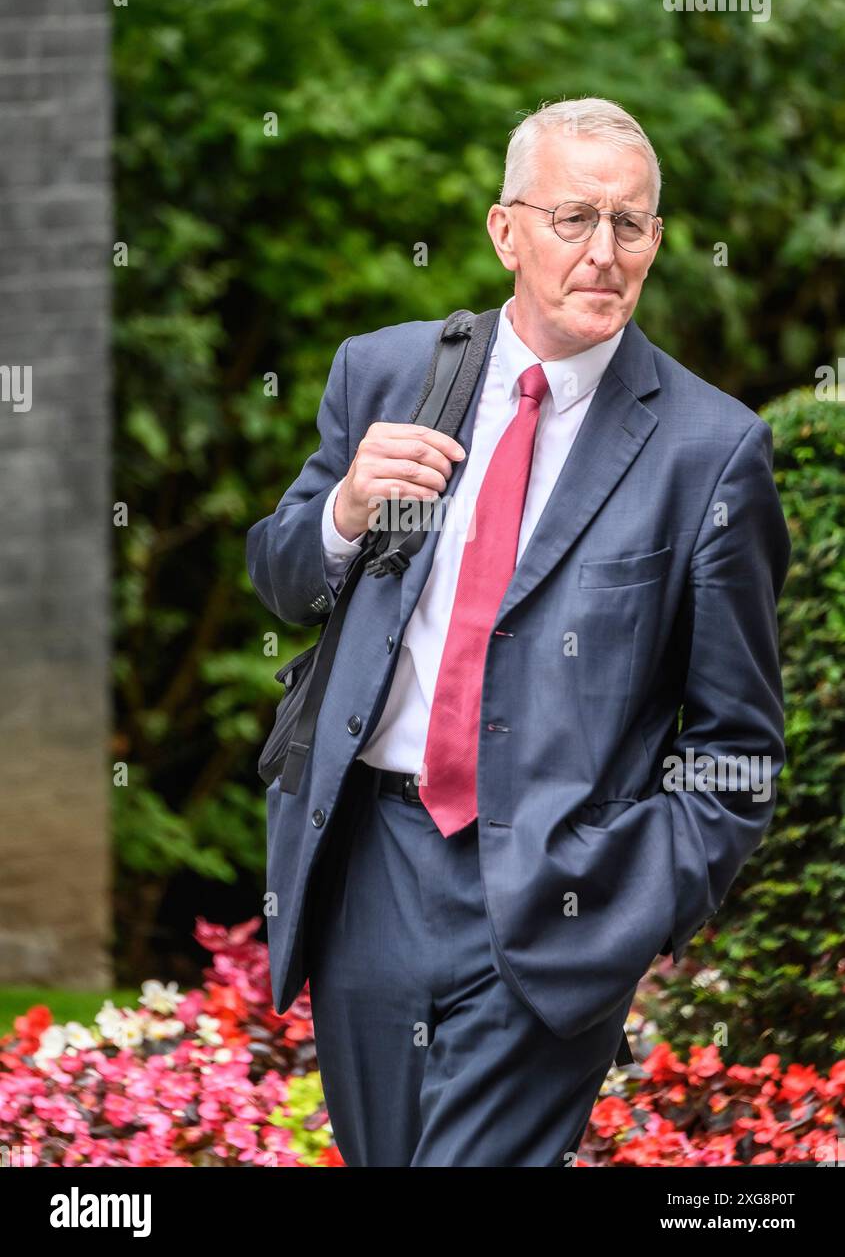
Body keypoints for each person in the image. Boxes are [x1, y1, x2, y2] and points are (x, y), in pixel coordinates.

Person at [246, 96, 791, 1167]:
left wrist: (637, 900)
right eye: (573, 218)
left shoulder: (710, 451)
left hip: (558, 896)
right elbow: (280, 578)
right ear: (505, 231)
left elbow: (735, 743)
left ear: (657, 242)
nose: (602, 251)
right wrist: (344, 514)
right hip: (372, 868)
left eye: (628, 225)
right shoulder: (389, 374)